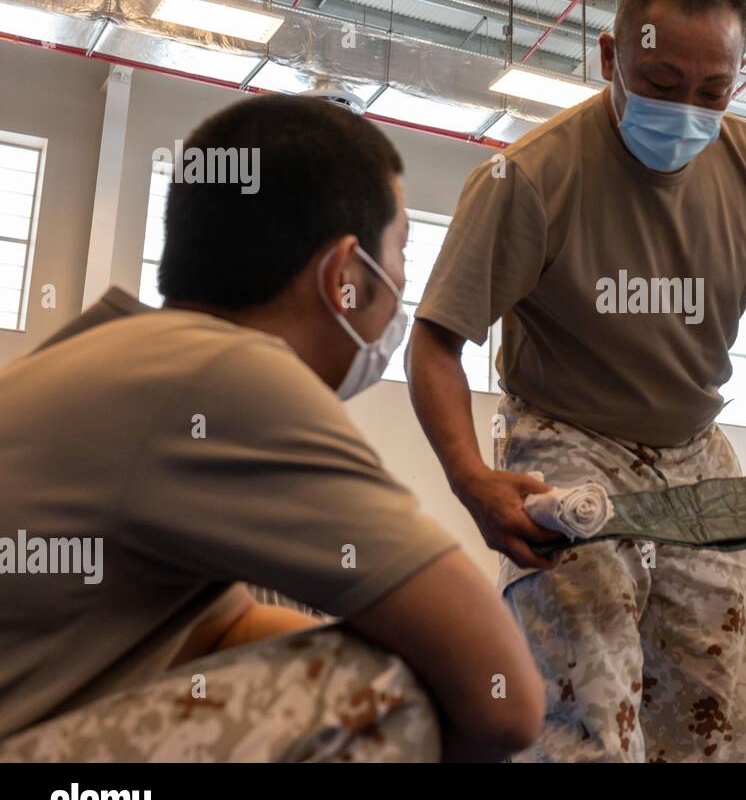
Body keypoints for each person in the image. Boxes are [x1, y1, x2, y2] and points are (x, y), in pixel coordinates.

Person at [407, 0, 746, 762]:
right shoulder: (531, 179)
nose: (686, 108)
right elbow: (436, 341)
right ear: (612, 55)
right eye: (659, 84)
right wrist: (471, 481)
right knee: (588, 717)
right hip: (569, 440)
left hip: (696, 455)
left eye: (713, 90)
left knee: (715, 723)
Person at [0, 95, 544, 762]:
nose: (404, 280)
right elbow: (509, 700)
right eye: (403, 248)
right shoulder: (230, 375)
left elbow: (222, 629)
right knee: (382, 695)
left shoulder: (116, 353)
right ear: (345, 277)